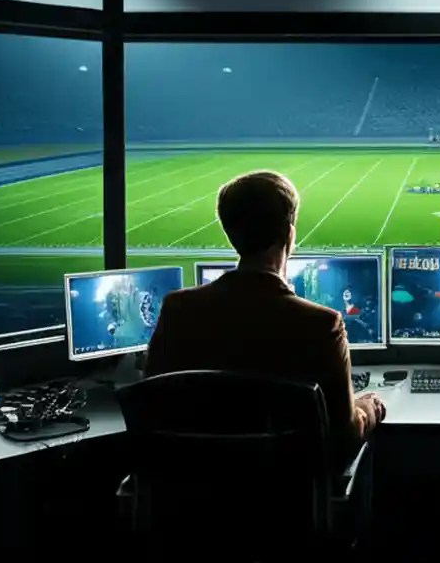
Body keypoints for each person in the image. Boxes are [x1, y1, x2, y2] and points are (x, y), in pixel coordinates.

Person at [145, 171, 385, 468]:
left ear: (231, 233)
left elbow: (151, 409)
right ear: (289, 233)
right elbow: (342, 443)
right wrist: (366, 409)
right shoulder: (321, 325)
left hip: (194, 499)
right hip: (288, 504)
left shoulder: (177, 310)